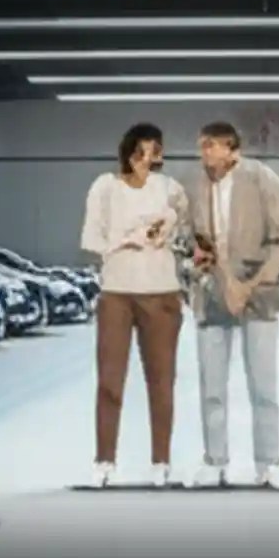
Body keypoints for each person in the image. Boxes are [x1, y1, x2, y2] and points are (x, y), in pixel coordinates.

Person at [183, 121, 279, 488]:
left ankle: (268, 463)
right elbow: (187, 239)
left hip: (258, 294)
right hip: (212, 292)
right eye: (203, 146)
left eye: (213, 146)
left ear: (233, 150)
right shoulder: (193, 185)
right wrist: (194, 259)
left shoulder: (263, 180)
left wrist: (250, 286)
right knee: (211, 385)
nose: (206, 153)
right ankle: (215, 461)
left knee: (262, 384)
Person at [80, 122, 189, 488]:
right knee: (110, 380)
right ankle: (104, 460)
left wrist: (165, 228)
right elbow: (92, 238)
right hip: (117, 292)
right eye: (142, 152)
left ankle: (161, 461)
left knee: (161, 381)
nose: (148, 159)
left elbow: (185, 232)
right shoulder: (105, 187)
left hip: (161, 291)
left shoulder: (171, 189)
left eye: (155, 151)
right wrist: (127, 239)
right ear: (128, 152)